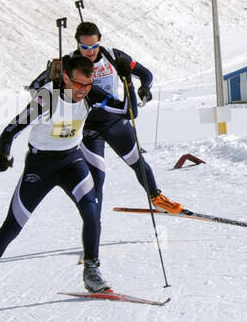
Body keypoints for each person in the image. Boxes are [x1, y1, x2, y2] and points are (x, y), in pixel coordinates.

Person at [0, 54, 129, 307]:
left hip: (72, 162)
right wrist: (3, 155)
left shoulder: (91, 93)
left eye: (88, 85)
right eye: (79, 85)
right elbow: (11, 130)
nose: (84, 91)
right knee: (12, 226)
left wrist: (127, 79)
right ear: (65, 78)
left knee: (92, 212)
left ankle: (92, 272)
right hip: (41, 167)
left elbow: (128, 111)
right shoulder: (47, 98)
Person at [29, 22, 182, 215]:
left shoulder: (113, 55)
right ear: (78, 45)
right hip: (88, 128)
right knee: (97, 177)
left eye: (94, 46)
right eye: (84, 47)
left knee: (138, 162)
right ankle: (94, 221)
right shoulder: (68, 62)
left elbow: (145, 74)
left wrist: (145, 87)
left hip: (115, 120)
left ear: (99, 41)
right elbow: (36, 86)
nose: (90, 52)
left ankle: (156, 198)